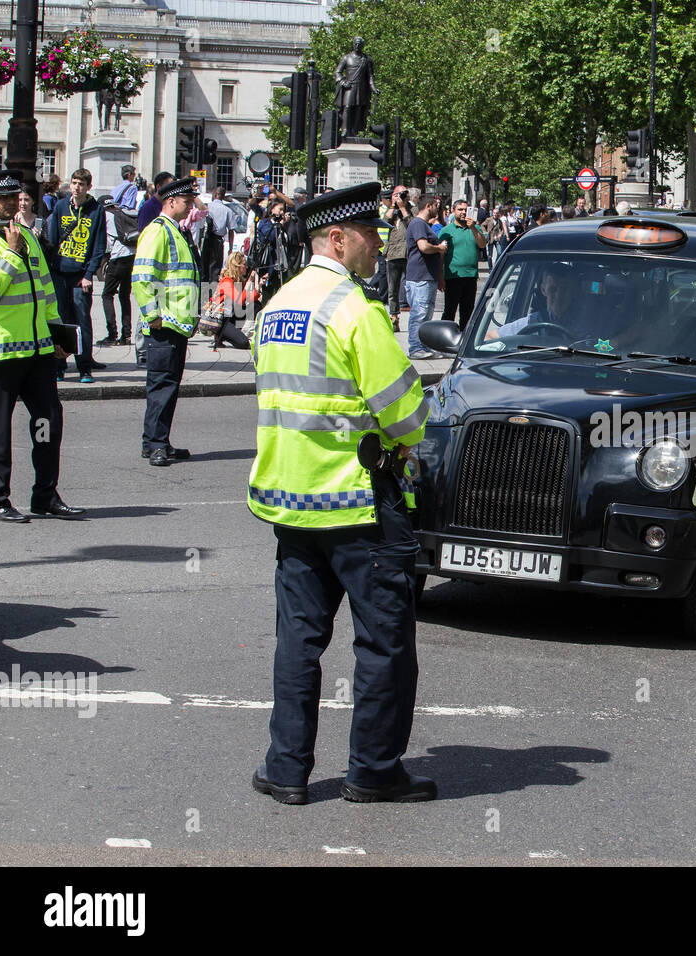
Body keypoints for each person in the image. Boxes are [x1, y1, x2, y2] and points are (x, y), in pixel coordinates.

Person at [247, 181, 433, 805]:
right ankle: (373, 770)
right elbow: (406, 414)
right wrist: (408, 425)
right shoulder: (356, 310)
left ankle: (286, 770)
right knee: (383, 641)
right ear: (337, 239)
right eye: (370, 236)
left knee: (298, 640)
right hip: (359, 503)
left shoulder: (276, 306)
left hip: (292, 503)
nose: (379, 245)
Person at [0, 170, 84, 523]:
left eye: (16, 196)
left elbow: (46, 293)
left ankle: (45, 494)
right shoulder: (10, 244)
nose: (13, 203)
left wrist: (57, 337)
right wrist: (11, 256)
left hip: (38, 353)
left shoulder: (28, 237)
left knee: (47, 422)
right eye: (5, 198)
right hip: (2, 354)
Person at [132, 177, 200, 467]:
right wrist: (152, 316)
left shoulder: (175, 231)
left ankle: (159, 441)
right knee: (161, 386)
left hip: (176, 322)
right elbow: (142, 277)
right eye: (186, 201)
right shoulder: (158, 231)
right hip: (165, 324)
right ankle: (155, 444)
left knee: (168, 386)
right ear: (171, 202)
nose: (190, 206)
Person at [45, 168, 106, 383]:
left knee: (82, 321)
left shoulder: (96, 210)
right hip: (60, 273)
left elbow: (99, 245)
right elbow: (52, 240)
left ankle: (85, 366)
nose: (77, 187)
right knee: (61, 319)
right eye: (74, 183)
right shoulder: (61, 206)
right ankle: (60, 365)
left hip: (81, 275)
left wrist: (89, 273)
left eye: (81, 184)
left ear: (88, 187)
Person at [404, 197, 445, 358]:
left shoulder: (423, 225)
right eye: (436, 205)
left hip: (427, 276)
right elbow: (423, 247)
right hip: (420, 277)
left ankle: (424, 347)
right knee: (419, 313)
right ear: (428, 206)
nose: (438, 208)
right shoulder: (418, 224)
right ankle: (415, 348)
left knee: (425, 314)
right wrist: (439, 247)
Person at [438, 199, 486, 327]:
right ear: (454, 211)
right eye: (460, 209)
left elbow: (482, 244)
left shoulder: (475, 228)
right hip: (453, 276)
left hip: (470, 276)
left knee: (467, 312)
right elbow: (441, 255)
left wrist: (473, 228)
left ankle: (463, 339)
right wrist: (440, 277)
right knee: (449, 311)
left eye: (466, 209)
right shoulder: (446, 231)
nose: (463, 212)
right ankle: (444, 338)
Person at [97, 199, 137, 348]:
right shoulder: (124, 213)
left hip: (118, 257)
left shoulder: (107, 216)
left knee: (107, 295)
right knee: (124, 295)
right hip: (132, 255)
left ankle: (111, 334)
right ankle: (126, 335)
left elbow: (106, 241)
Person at [203, 251, 260, 350]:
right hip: (220, 321)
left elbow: (246, 302)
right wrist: (249, 281)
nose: (246, 267)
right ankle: (221, 334)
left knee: (255, 304)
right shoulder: (226, 281)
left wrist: (258, 288)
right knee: (244, 344)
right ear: (237, 266)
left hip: (231, 316)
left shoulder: (238, 281)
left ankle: (232, 333)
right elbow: (240, 301)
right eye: (244, 264)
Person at [384, 187, 414, 332]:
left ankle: (415, 315)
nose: (400, 197)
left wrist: (403, 207)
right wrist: (393, 204)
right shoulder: (392, 210)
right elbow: (384, 221)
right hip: (393, 252)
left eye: (403, 194)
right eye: (397, 194)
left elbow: (412, 224)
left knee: (411, 286)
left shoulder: (411, 209)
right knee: (392, 288)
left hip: (408, 253)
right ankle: (394, 317)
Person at [202, 186, 234, 287]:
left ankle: (203, 297)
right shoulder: (228, 211)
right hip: (218, 241)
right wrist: (231, 248)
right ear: (223, 197)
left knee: (204, 268)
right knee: (215, 270)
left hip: (207, 239)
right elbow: (231, 230)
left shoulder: (207, 207)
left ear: (215, 195)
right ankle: (212, 297)